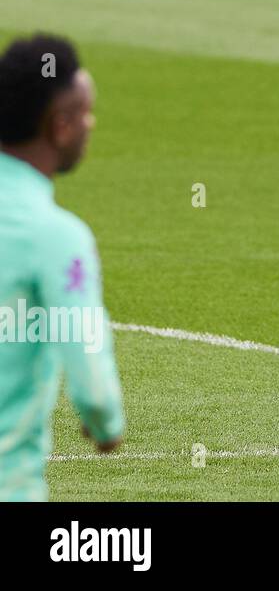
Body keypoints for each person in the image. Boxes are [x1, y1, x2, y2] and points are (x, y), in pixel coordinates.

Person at [0, 33, 125, 501]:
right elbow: (92, 382)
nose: (92, 125)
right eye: (86, 113)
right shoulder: (57, 236)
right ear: (61, 126)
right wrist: (106, 423)